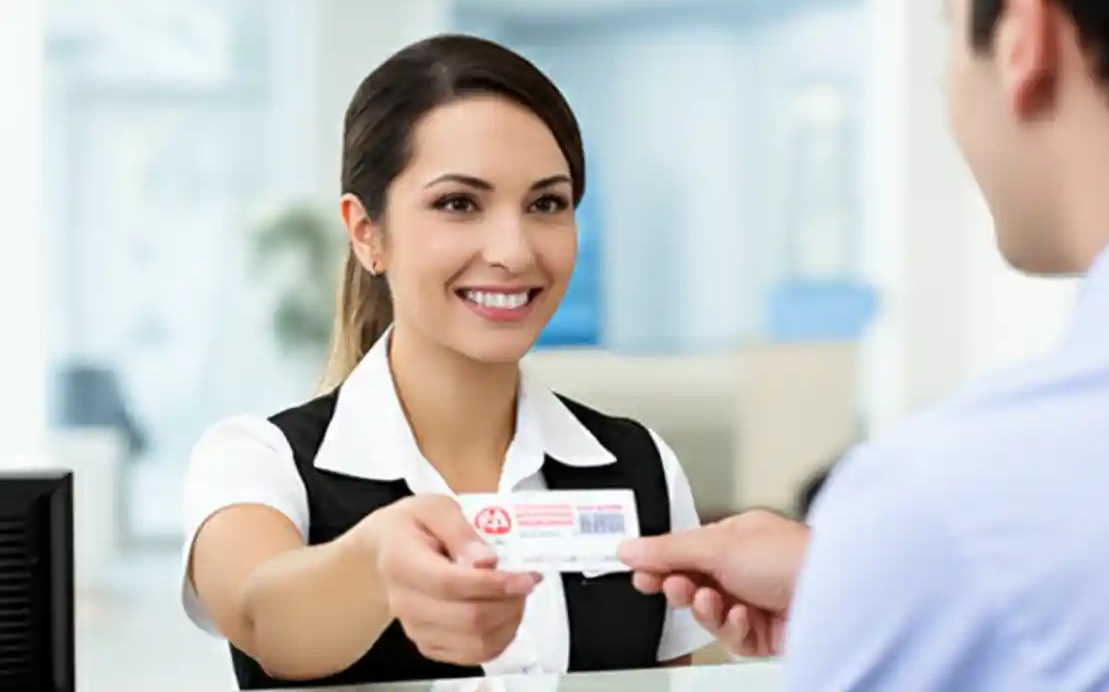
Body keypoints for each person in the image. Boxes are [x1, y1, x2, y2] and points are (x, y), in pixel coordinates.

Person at [621, 0, 1109, 689]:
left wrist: (911, 569)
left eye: (949, 28)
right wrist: (884, 580)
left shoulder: (952, 500)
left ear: (1024, 35)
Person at [181, 34, 712, 689]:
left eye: (546, 203)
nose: (514, 251)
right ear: (366, 232)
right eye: (458, 203)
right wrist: (377, 564)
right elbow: (267, 620)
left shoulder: (642, 466)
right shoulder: (257, 461)